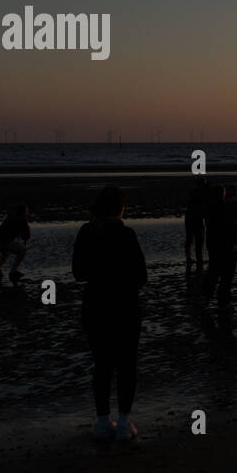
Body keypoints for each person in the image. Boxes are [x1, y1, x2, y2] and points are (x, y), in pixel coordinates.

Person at [72, 186, 147, 442]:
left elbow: (78, 273)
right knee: (127, 365)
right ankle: (125, 422)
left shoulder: (86, 232)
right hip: (124, 305)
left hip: (96, 305)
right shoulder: (126, 234)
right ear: (120, 209)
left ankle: (103, 421)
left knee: (102, 364)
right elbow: (141, 276)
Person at [203, 184, 237, 303]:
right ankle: (222, 302)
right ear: (224, 195)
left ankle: (207, 301)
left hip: (214, 247)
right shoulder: (228, 208)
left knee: (213, 274)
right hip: (228, 248)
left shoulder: (209, 209)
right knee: (226, 278)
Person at [0, 204, 30, 282]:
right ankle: (13, 272)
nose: (27, 213)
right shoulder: (21, 220)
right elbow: (26, 236)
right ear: (23, 212)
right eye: (26, 211)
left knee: (6, 252)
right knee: (22, 250)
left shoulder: (10, 217)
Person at [184, 177, 209, 270]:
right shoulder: (202, 193)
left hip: (189, 216)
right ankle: (199, 258)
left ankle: (189, 257)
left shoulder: (193, 192)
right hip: (196, 217)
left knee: (189, 238)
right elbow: (203, 207)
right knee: (199, 239)